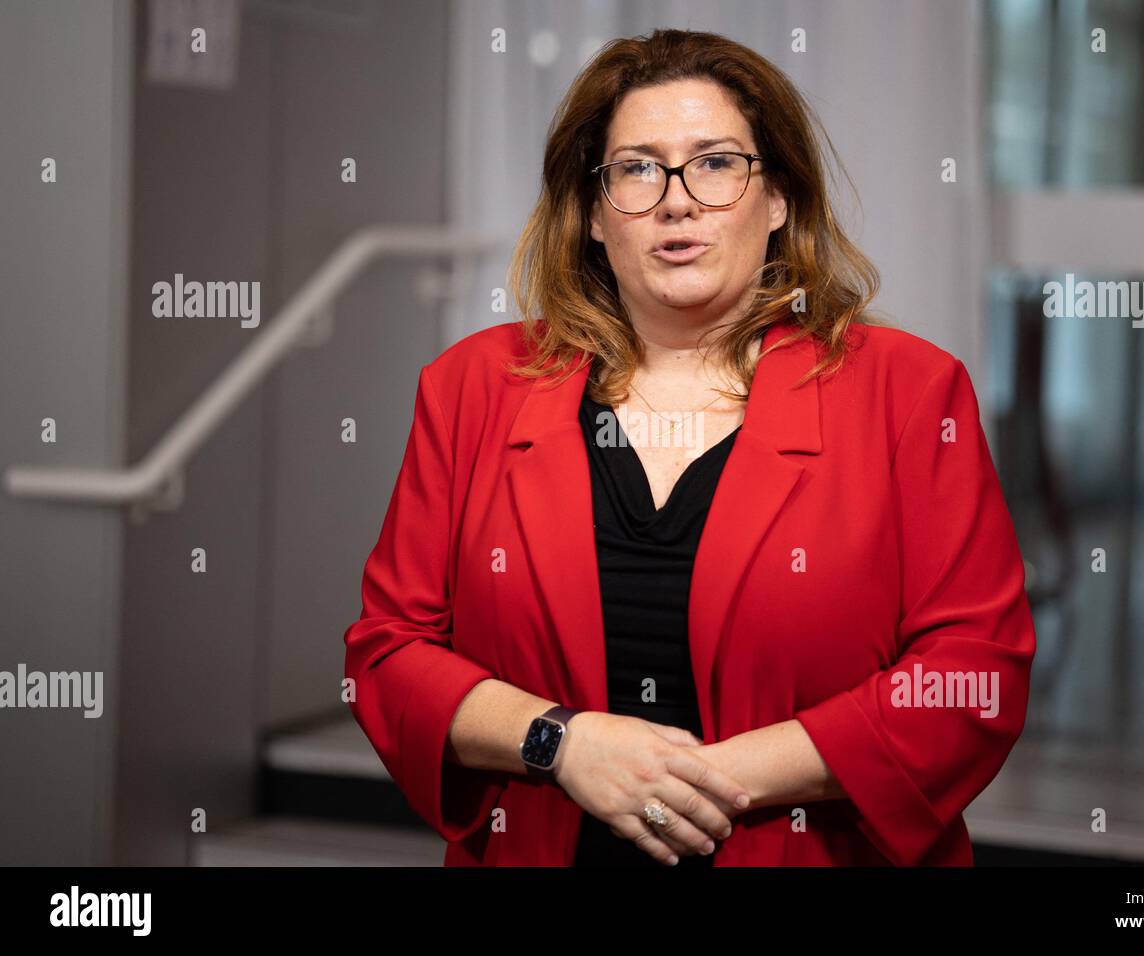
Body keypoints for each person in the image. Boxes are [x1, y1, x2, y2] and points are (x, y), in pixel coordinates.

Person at [343, 28, 1035, 867]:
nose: (676, 200)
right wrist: (565, 744)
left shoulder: (909, 392)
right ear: (594, 215)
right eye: (636, 168)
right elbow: (388, 655)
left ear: (777, 197)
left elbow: (971, 678)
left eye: (715, 163)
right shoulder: (473, 387)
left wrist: (707, 777)